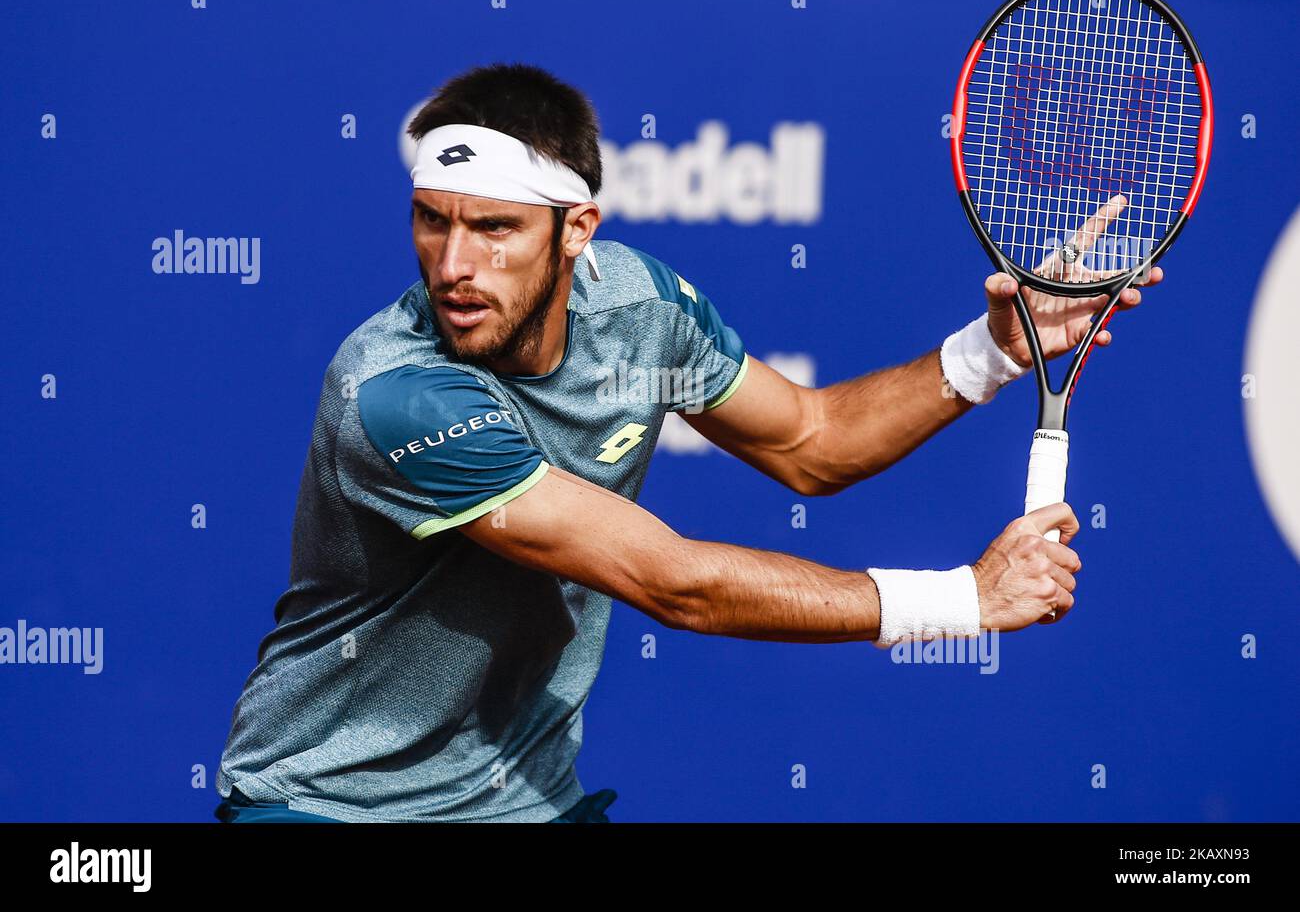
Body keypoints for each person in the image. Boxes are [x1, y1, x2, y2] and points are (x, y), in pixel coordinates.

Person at [214, 62, 1161, 823]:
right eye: (433, 222)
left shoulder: (640, 309)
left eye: (495, 229)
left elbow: (812, 442)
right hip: (330, 805)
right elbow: (679, 585)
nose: (455, 264)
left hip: (524, 805)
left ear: (577, 230)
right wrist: (962, 599)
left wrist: (992, 350)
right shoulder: (396, 395)